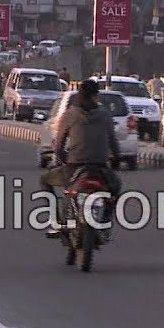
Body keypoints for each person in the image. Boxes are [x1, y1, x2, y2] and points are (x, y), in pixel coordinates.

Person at [40, 80, 122, 238]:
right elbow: (113, 142)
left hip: (73, 168)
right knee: (116, 187)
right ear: (96, 96)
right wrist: (116, 159)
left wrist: (62, 158)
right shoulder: (105, 115)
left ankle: (56, 222)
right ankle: (105, 221)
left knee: (45, 180)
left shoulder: (69, 115)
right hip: (99, 168)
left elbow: (58, 146)